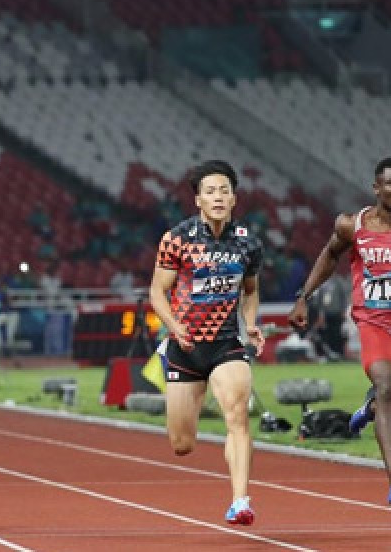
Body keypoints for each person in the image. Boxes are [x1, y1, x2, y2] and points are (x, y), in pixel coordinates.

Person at [288, 157, 391, 510]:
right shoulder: (352, 225)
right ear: (376, 188)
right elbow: (330, 254)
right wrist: (304, 297)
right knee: (385, 385)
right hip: (376, 325)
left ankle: (372, 406)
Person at [149, 160, 265, 526]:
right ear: (198, 199)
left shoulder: (248, 242)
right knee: (182, 444)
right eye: (210, 191)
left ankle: (241, 501)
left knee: (238, 415)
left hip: (227, 344)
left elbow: (250, 292)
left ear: (234, 198)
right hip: (184, 348)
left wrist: (250, 325)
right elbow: (157, 291)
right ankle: (217, 437)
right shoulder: (177, 238)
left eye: (224, 191)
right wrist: (173, 327)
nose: (218, 197)